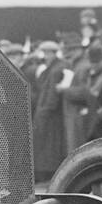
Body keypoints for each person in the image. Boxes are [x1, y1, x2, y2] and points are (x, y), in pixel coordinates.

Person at [32, 41, 67, 179]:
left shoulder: (55, 69)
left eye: (48, 53)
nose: (46, 56)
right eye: (45, 53)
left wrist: (45, 109)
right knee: (48, 145)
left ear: (54, 53)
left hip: (50, 113)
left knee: (50, 145)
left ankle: (49, 173)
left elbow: (52, 93)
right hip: (48, 111)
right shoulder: (52, 68)